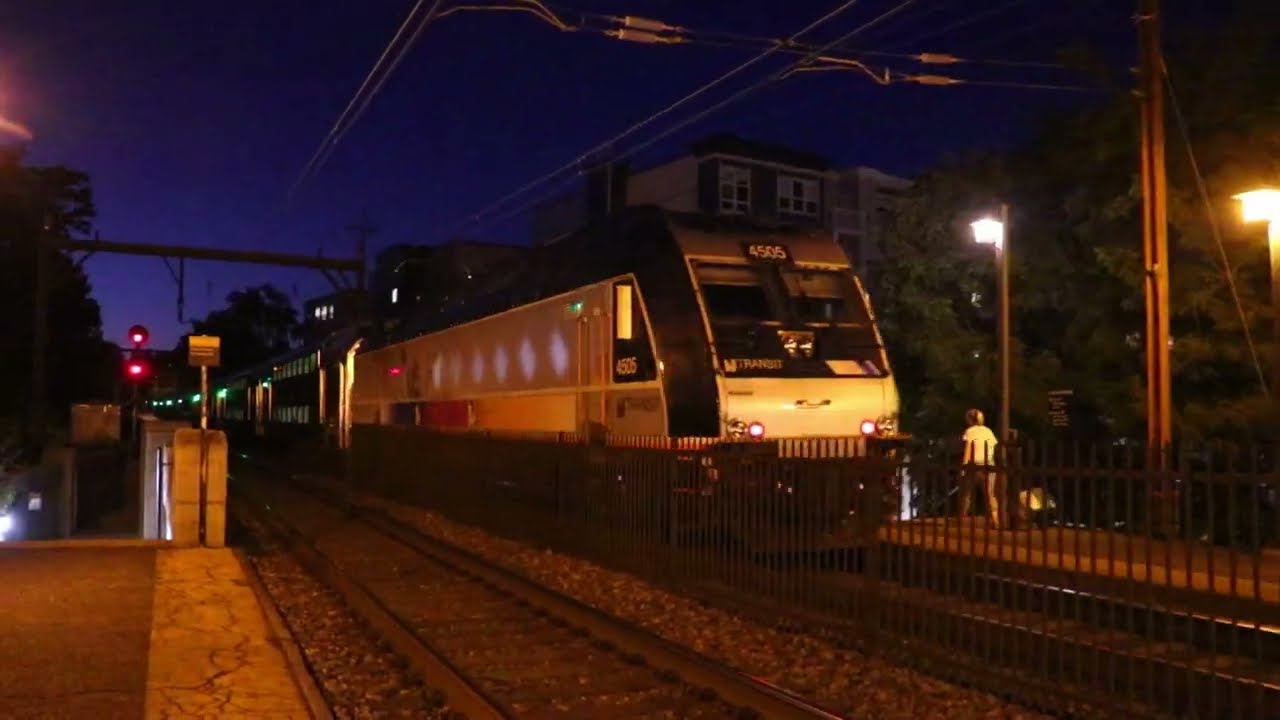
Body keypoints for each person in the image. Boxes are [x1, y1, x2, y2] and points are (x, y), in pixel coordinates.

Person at [960, 408, 1004, 529]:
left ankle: (962, 519)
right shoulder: (988, 431)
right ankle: (995, 520)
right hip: (989, 465)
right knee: (990, 494)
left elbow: (968, 449)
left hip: (974, 466)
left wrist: (963, 467)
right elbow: (993, 447)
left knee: (966, 493)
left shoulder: (969, 431)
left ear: (969, 419)